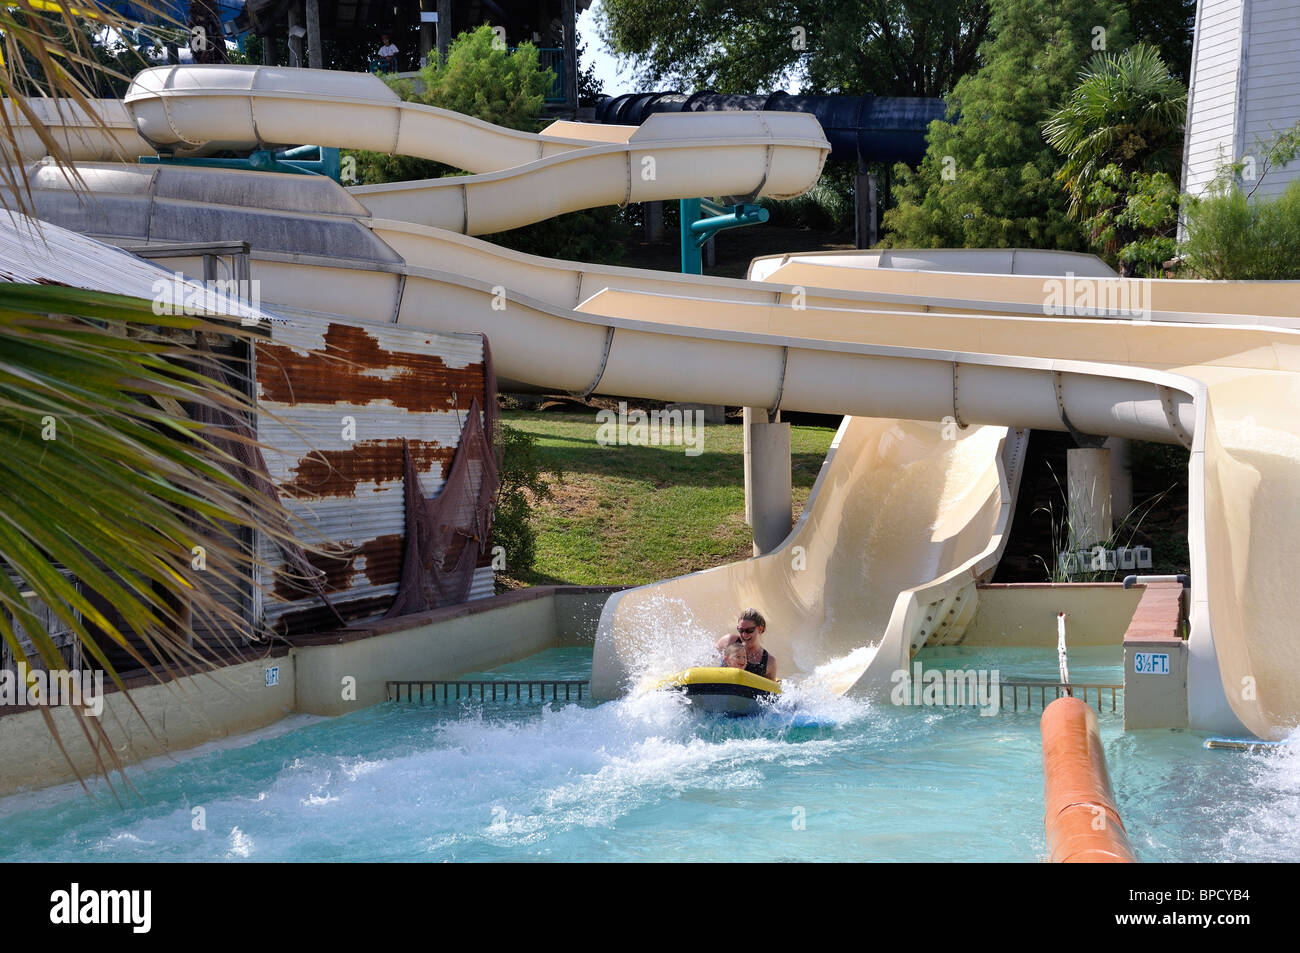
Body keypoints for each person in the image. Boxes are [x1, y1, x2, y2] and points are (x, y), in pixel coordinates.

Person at [714, 608, 778, 680]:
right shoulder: (730, 641)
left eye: (749, 630)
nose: (744, 634)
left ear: (760, 629)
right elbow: (710, 657)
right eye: (740, 630)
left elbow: (771, 690)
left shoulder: (769, 662)